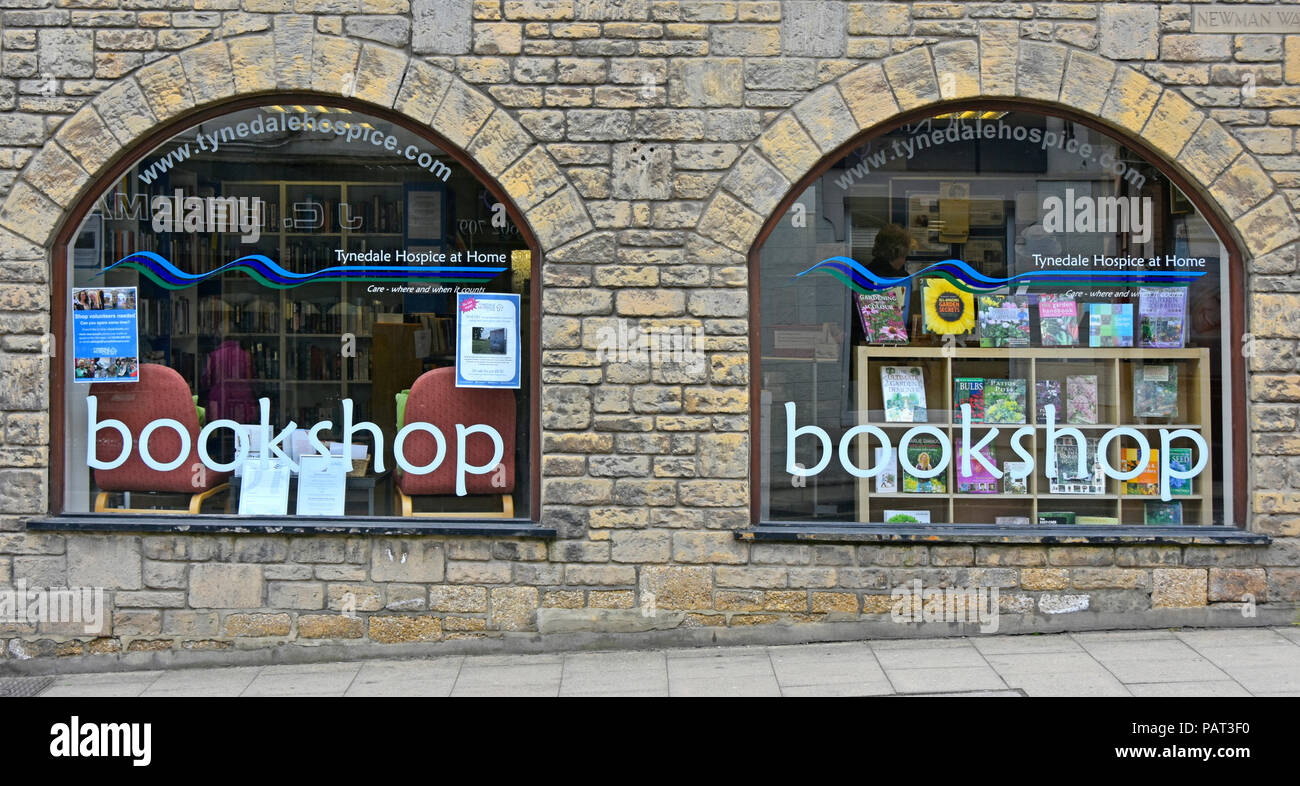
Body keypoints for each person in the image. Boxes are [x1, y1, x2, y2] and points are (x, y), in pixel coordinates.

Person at [865, 223, 918, 327]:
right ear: (897, 253)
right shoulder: (901, 278)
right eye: (904, 256)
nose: (904, 261)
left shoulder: (863, 273)